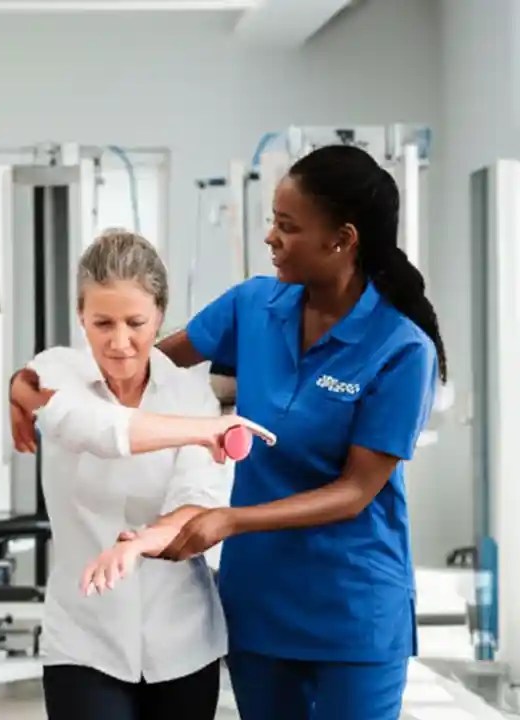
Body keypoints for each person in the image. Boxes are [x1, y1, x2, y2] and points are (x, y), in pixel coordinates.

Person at [129, 143, 440, 720]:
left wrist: (230, 520)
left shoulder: (400, 348)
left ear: (342, 239)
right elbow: (139, 367)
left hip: (354, 610)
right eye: (273, 220)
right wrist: (41, 382)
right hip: (260, 605)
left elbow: (355, 491)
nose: (270, 237)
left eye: (287, 225)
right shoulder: (253, 305)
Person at [6, 229, 270, 720]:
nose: (120, 341)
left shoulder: (191, 393)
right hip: (85, 638)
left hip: (182, 639)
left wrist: (140, 543)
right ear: (81, 317)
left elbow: (197, 501)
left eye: (136, 322)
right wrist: (202, 431)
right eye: (102, 322)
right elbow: (95, 429)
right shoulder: (53, 372)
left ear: (160, 318)